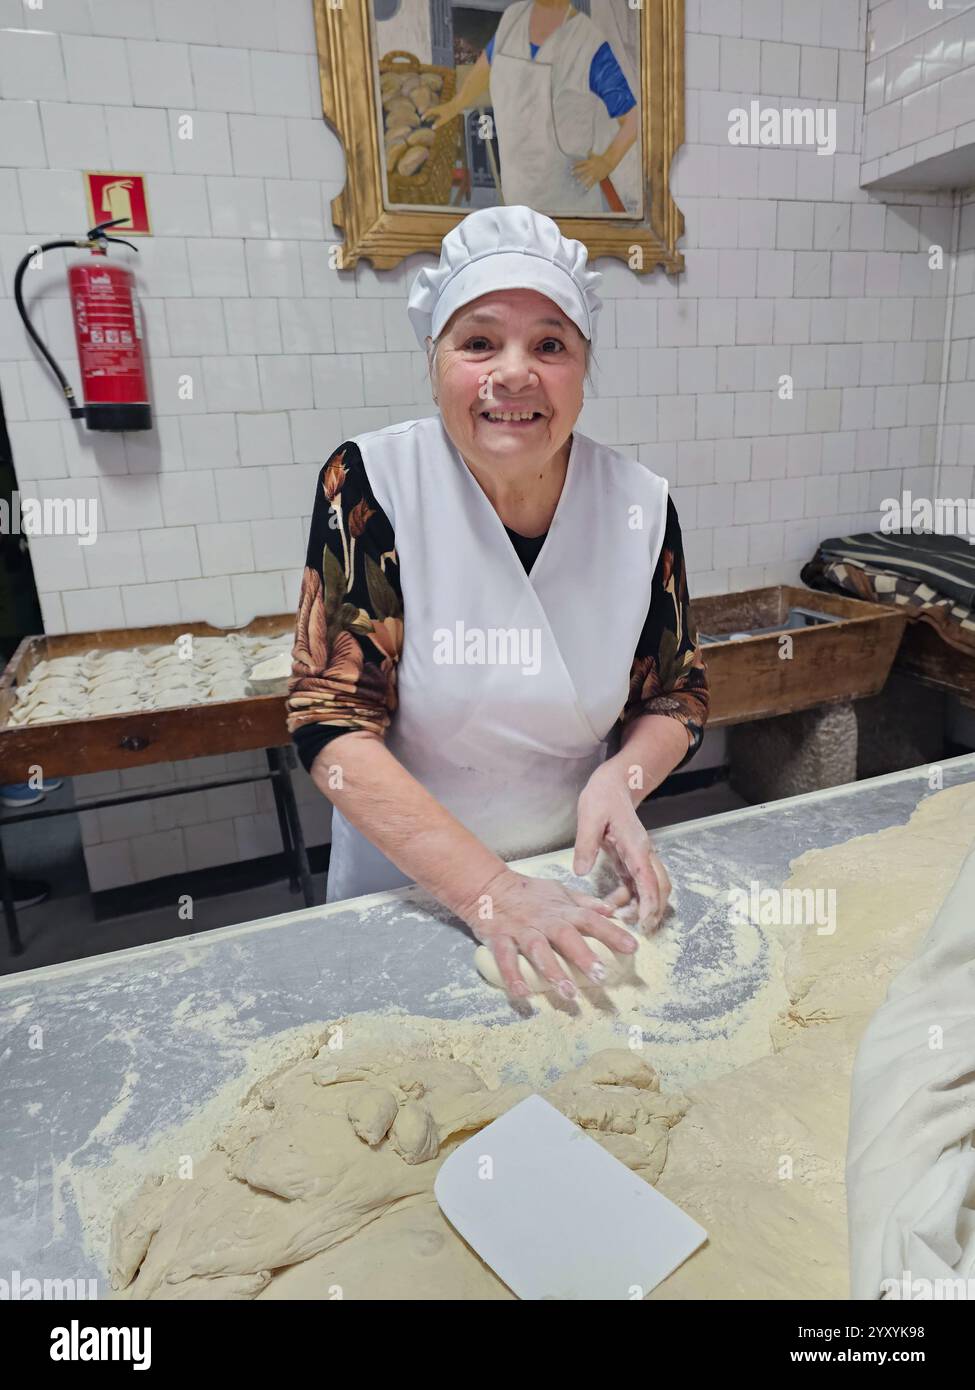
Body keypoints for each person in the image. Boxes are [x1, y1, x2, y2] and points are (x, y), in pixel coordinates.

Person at [287, 205, 708, 999]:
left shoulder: (638, 505)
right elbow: (329, 722)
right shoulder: (372, 485)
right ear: (434, 358)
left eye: (550, 345)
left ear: (582, 370)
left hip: (574, 878)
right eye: (478, 342)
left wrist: (620, 778)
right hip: (411, 888)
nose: (513, 374)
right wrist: (491, 892)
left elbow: (676, 693)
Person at [427, 0, 639, 214]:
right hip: (516, 187)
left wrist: (608, 162)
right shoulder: (513, 18)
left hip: (566, 200)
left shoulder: (588, 43)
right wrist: (454, 105)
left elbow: (633, 119)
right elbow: (486, 67)